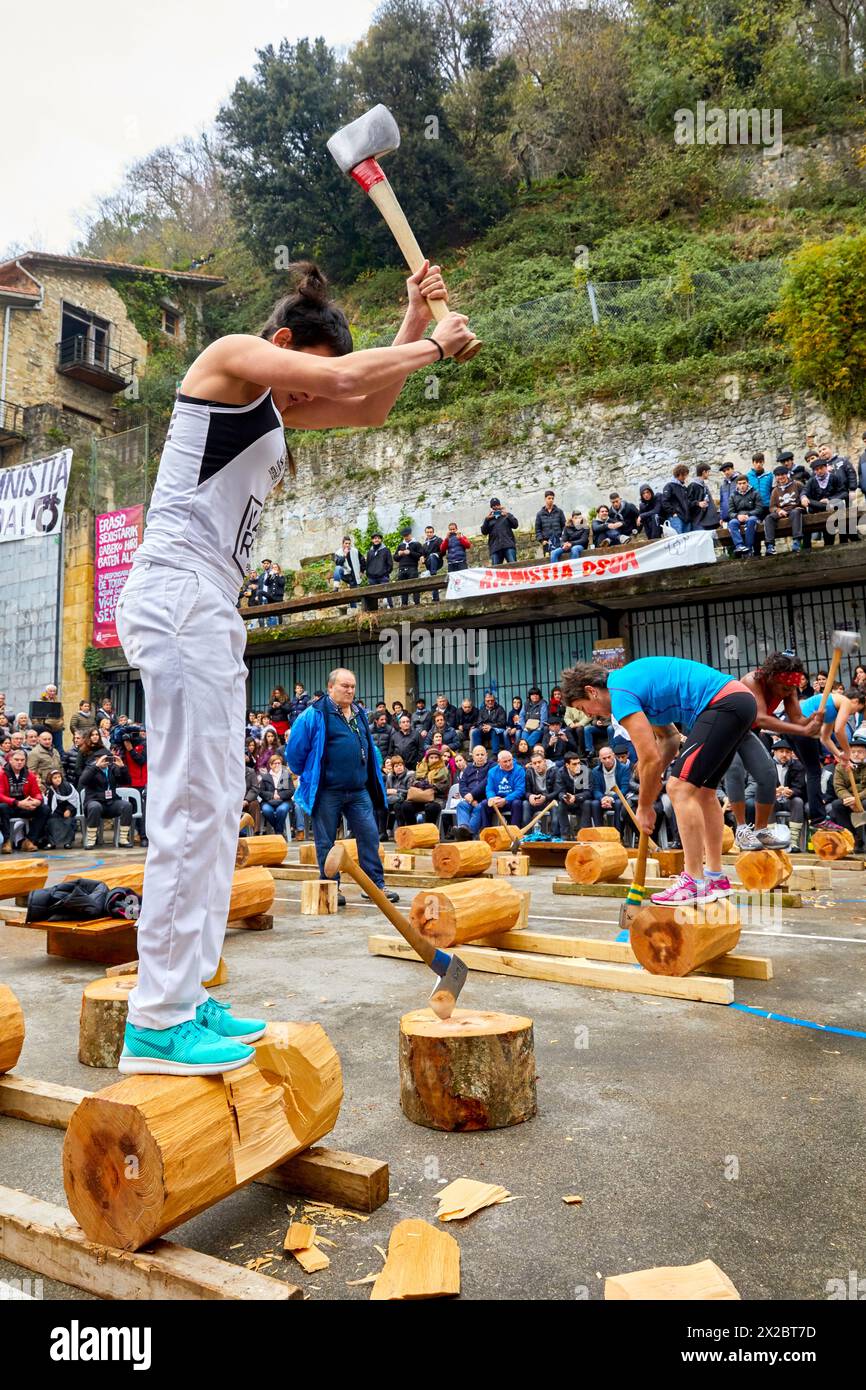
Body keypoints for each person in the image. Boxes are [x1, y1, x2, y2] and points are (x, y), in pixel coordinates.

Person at [113, 258, 466, 1074]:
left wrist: (412, 321)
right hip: (177, 591)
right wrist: (435, 348)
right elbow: (343, 379)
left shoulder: (277, 406)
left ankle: (186, 993)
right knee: (191, 806)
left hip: (209, 604)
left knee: (218, 806)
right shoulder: (229, 360)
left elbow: (367, 402)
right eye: (303, 375)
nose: (308, 397)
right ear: (280, 343)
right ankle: (157, 1019)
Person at [563, 656, 759, 904]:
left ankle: (694, 881)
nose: (589, 715)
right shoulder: (632, 685)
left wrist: (645, 806)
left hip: (723, 703)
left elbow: (650, 758)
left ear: (592, 691)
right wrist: (653, 778)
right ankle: (714, 877)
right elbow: (669, 739)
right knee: (703, 792)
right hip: (739, 700)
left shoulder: (619, 693)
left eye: (583, 708)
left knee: (679, 788)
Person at [287, 668, 400, 907]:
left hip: (358, 789)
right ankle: (330, 886)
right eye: (344, 686)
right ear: (330, 687)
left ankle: (374, 885)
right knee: (326, 841)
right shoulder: (313, 714)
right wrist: (307, 774)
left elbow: (367, 746)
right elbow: (295, 752)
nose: (350, 691)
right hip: (327, 790)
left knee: (370, 836)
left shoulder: (359, 713)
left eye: (352, 687)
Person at [78, 750, 134, 849]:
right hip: (94, 801)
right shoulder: (90, 768)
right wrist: (96, 767)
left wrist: (122, 767)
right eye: (103, 759)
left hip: (111, 803)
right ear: (97, 759)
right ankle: (90, 840)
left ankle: (123, 839)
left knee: (127, 806)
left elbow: (127, 781)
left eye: (108, 759)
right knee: (95, 807)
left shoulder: (112, 769)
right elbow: (83, 781)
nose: (106, 762)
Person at [0, 749, 48, 851]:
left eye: (22, 760)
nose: (19, 762)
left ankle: (29, 841)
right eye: (16, 760)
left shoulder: (29, 774)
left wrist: (37, 801)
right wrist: (17, 803)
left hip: (25, 806)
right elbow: (0, 795)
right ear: (10, 760)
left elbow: (37, 793)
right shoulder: (2, 774)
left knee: (44, 809)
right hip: (10, 806)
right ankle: (7, 842)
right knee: (2, 807)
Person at [765, 457, 807, 554]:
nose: (780, 477)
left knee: (795, 512)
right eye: (778, 475)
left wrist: (802, 502)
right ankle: (770, 545)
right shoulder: (775, 490)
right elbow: (772, 507)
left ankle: (796, 541)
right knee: (769, 518)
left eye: (782, 474)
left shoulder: (797, 484)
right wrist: (778, 510)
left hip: (796, 508)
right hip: (782, 511)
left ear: (787, 474)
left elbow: (805, 493)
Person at [771, 740, 807, 848]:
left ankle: (793, 841)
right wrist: (773, 792)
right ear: (774, 752)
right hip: (774, 798)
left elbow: (800, 787)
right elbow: (762, 784)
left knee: (798, 801)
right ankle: (771, 838)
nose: (784, 754)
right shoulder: (766, 765)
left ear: (791, 753)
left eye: (787, 752)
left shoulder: (798, 766)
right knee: (767, 801)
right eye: (781, 751)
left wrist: (792, 792)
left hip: (789, 799)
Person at [588, 745, 631, 829]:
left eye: (609, 757)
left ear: (613, 755)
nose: (607, 760)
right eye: (604, 758)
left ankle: (618, 833)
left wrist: (611, 799)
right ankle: (599, 832)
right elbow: (596, 789)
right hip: (604, 798)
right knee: (594, 803)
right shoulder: (595, 771)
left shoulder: (624, 768)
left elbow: (624, 788)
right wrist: (602, 798)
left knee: (619, 803)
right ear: (600, 759)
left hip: (618, 797)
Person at [484, 748, 526, 829]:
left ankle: (514, 832)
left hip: (511, 800)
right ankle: (487, 832)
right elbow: (489, 789)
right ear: (499, 762)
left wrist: (506, 800)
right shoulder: (492, 771)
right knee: (484, 804)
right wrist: (492, 798)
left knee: (517, 803)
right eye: (505, 762)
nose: (508, 764)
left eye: (510, 760)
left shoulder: (519, 770)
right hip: (497, 800)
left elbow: (520, 790)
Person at [454, 744, 489, 838]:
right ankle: (463, 828)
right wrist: (469, 797)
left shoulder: (491, 766)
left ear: (486, 755)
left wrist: (472, 795)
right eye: (477, 755)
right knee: (461, 805)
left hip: (484, 798)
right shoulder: (468, 768)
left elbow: (486, 782)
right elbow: (462, 785)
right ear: (473, 757)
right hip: (470, 799)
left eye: (482, 754)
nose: (480, 757)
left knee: (479, 807)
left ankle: (468, 834)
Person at [43, 768, 80, 849]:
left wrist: (69, 809)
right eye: (55, 778)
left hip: (69, 809)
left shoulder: (67, 787)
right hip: (57, 810)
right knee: (50, 820)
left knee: (69, 821)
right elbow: (49, 803)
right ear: (50, 779)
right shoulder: (50, 789)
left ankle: (67, 842)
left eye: (59, 777)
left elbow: (73, 800)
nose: (58, 779)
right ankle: (51, 842)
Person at [259, 754, 294, 838]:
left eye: (279, 763)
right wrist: (272, 795)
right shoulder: (265, 777)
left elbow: (291, 791)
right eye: (275, 763)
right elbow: (261, 792)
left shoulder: (286, 776)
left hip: (284, 801)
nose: (277, 765)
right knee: (266, 810)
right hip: (268, 801)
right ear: (270, 765)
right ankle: (279, 831)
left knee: (281, 810)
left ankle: (278, 833)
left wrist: (280, 795)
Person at [555, 752, 590, 836]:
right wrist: (565, 797)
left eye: (578, 763)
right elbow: (560, 792)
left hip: (581, 800)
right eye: (574, 764)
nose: (578, 766)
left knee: (587, 803)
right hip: (568, 801)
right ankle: (565, 834)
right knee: (561, 804)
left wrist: (575, 797)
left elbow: (588, 792)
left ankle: (583, 834)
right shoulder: (560, 772)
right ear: (567, 765)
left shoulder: (585, 771)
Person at [523, 746, 557, 830]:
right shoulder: (529, 772)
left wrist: (546, 797)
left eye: (539, 762)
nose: (537, 765)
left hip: (549, 800)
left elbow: (558, 791)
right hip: (536, 800)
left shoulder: (554, 770)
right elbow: (526, 791)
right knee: (525, 803)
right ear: (532, 764)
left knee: (556, 807)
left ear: (544, 761)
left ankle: (555, 835)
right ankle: (527, 835)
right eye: (534, 763)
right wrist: (530, 796)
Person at [726, 475, 761, 556]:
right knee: (732, 523)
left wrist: (748, 514)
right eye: (740, 484)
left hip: (751, 516)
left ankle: (748, 548)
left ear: (748, 483)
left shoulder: (755, 493)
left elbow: (759, 509)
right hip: (738, 517)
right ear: (737, 485)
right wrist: (737, 516)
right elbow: (730, 512)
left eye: (744, 483)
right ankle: (740, 546)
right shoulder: (733, 496)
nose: (742, 485)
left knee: (751, 520)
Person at [481, 498, 519, 565]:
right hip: (495, 548)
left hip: (508, 545)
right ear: (491, 508)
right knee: (495, 569)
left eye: (497, 505)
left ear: (500, 506)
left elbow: (515, 525)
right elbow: (484, 532)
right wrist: (486, 520)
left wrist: (507, 515)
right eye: (494, 506)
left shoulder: (506, 515)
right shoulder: (489, 519)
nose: (496, 507)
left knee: (513, 566)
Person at [363, 532, 394, 611]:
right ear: (372, 540)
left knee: (387, 595)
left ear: (381, 540)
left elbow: (390, 564)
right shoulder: (370, 552)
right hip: (372, 578)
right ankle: (373, 612)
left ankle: (390, 609)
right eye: (375, 538)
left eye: (378, 538)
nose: (376, 540)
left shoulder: (386, 550)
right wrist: (368, 574)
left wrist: (385, 573)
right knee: (373, 597)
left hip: (383, 577)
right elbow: (368, 564)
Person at [395, 526, 424, 606]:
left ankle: (417, 604)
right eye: (404, 536)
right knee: (403, 588)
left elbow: (420, 555)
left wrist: (410, 553)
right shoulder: (401, 545)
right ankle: (404, 604)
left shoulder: (417, 544)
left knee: (414, 587)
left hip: (412, 568)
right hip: (402, 569)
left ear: (410, 534)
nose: (406, 537)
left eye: (407, 535)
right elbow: (395, 558)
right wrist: (399, 554)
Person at [535, 490, 566, 558]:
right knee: (549, 561)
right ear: (545, 499)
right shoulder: (540, 514)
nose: (551, 500)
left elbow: (564, 526)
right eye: (549, 498)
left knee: (562, 559)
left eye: (552, 498)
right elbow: (538, 530)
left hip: (559, 541)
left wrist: (563, 538)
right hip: (547, 543)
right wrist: (542, 541)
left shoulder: (559, 512)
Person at [661, 464, 691, 533]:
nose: (685, 477)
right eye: (683, 475)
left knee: (687, 539)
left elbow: (687, 503)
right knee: (678, 538)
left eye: (686, 475)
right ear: (678, 474)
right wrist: (673, 513)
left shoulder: (683, 488)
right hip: (676, 518)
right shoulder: (669, 486)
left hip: (686, 519)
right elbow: (664, 502)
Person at [688, 464, 719, 531]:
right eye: (708, 472)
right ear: (704, 472)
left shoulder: (704, 485)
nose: (709, 474)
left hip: (708, 520)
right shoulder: (693, 485)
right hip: (699, 520)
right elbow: (688, 501)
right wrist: (698, 503)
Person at [421, 524, 443, 602]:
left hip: (437, 561)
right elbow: (423, 555)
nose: (429, 534)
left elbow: (443, 551)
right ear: (425, 533)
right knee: (434, 581)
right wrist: (422, 558)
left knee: (432, 556)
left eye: (431, 532)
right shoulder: (424, 544)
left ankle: (433, 574)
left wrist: (435, 554)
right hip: (429, 564)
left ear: (433, 532)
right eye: (427, 532)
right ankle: (435, 598)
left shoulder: (438, 540)